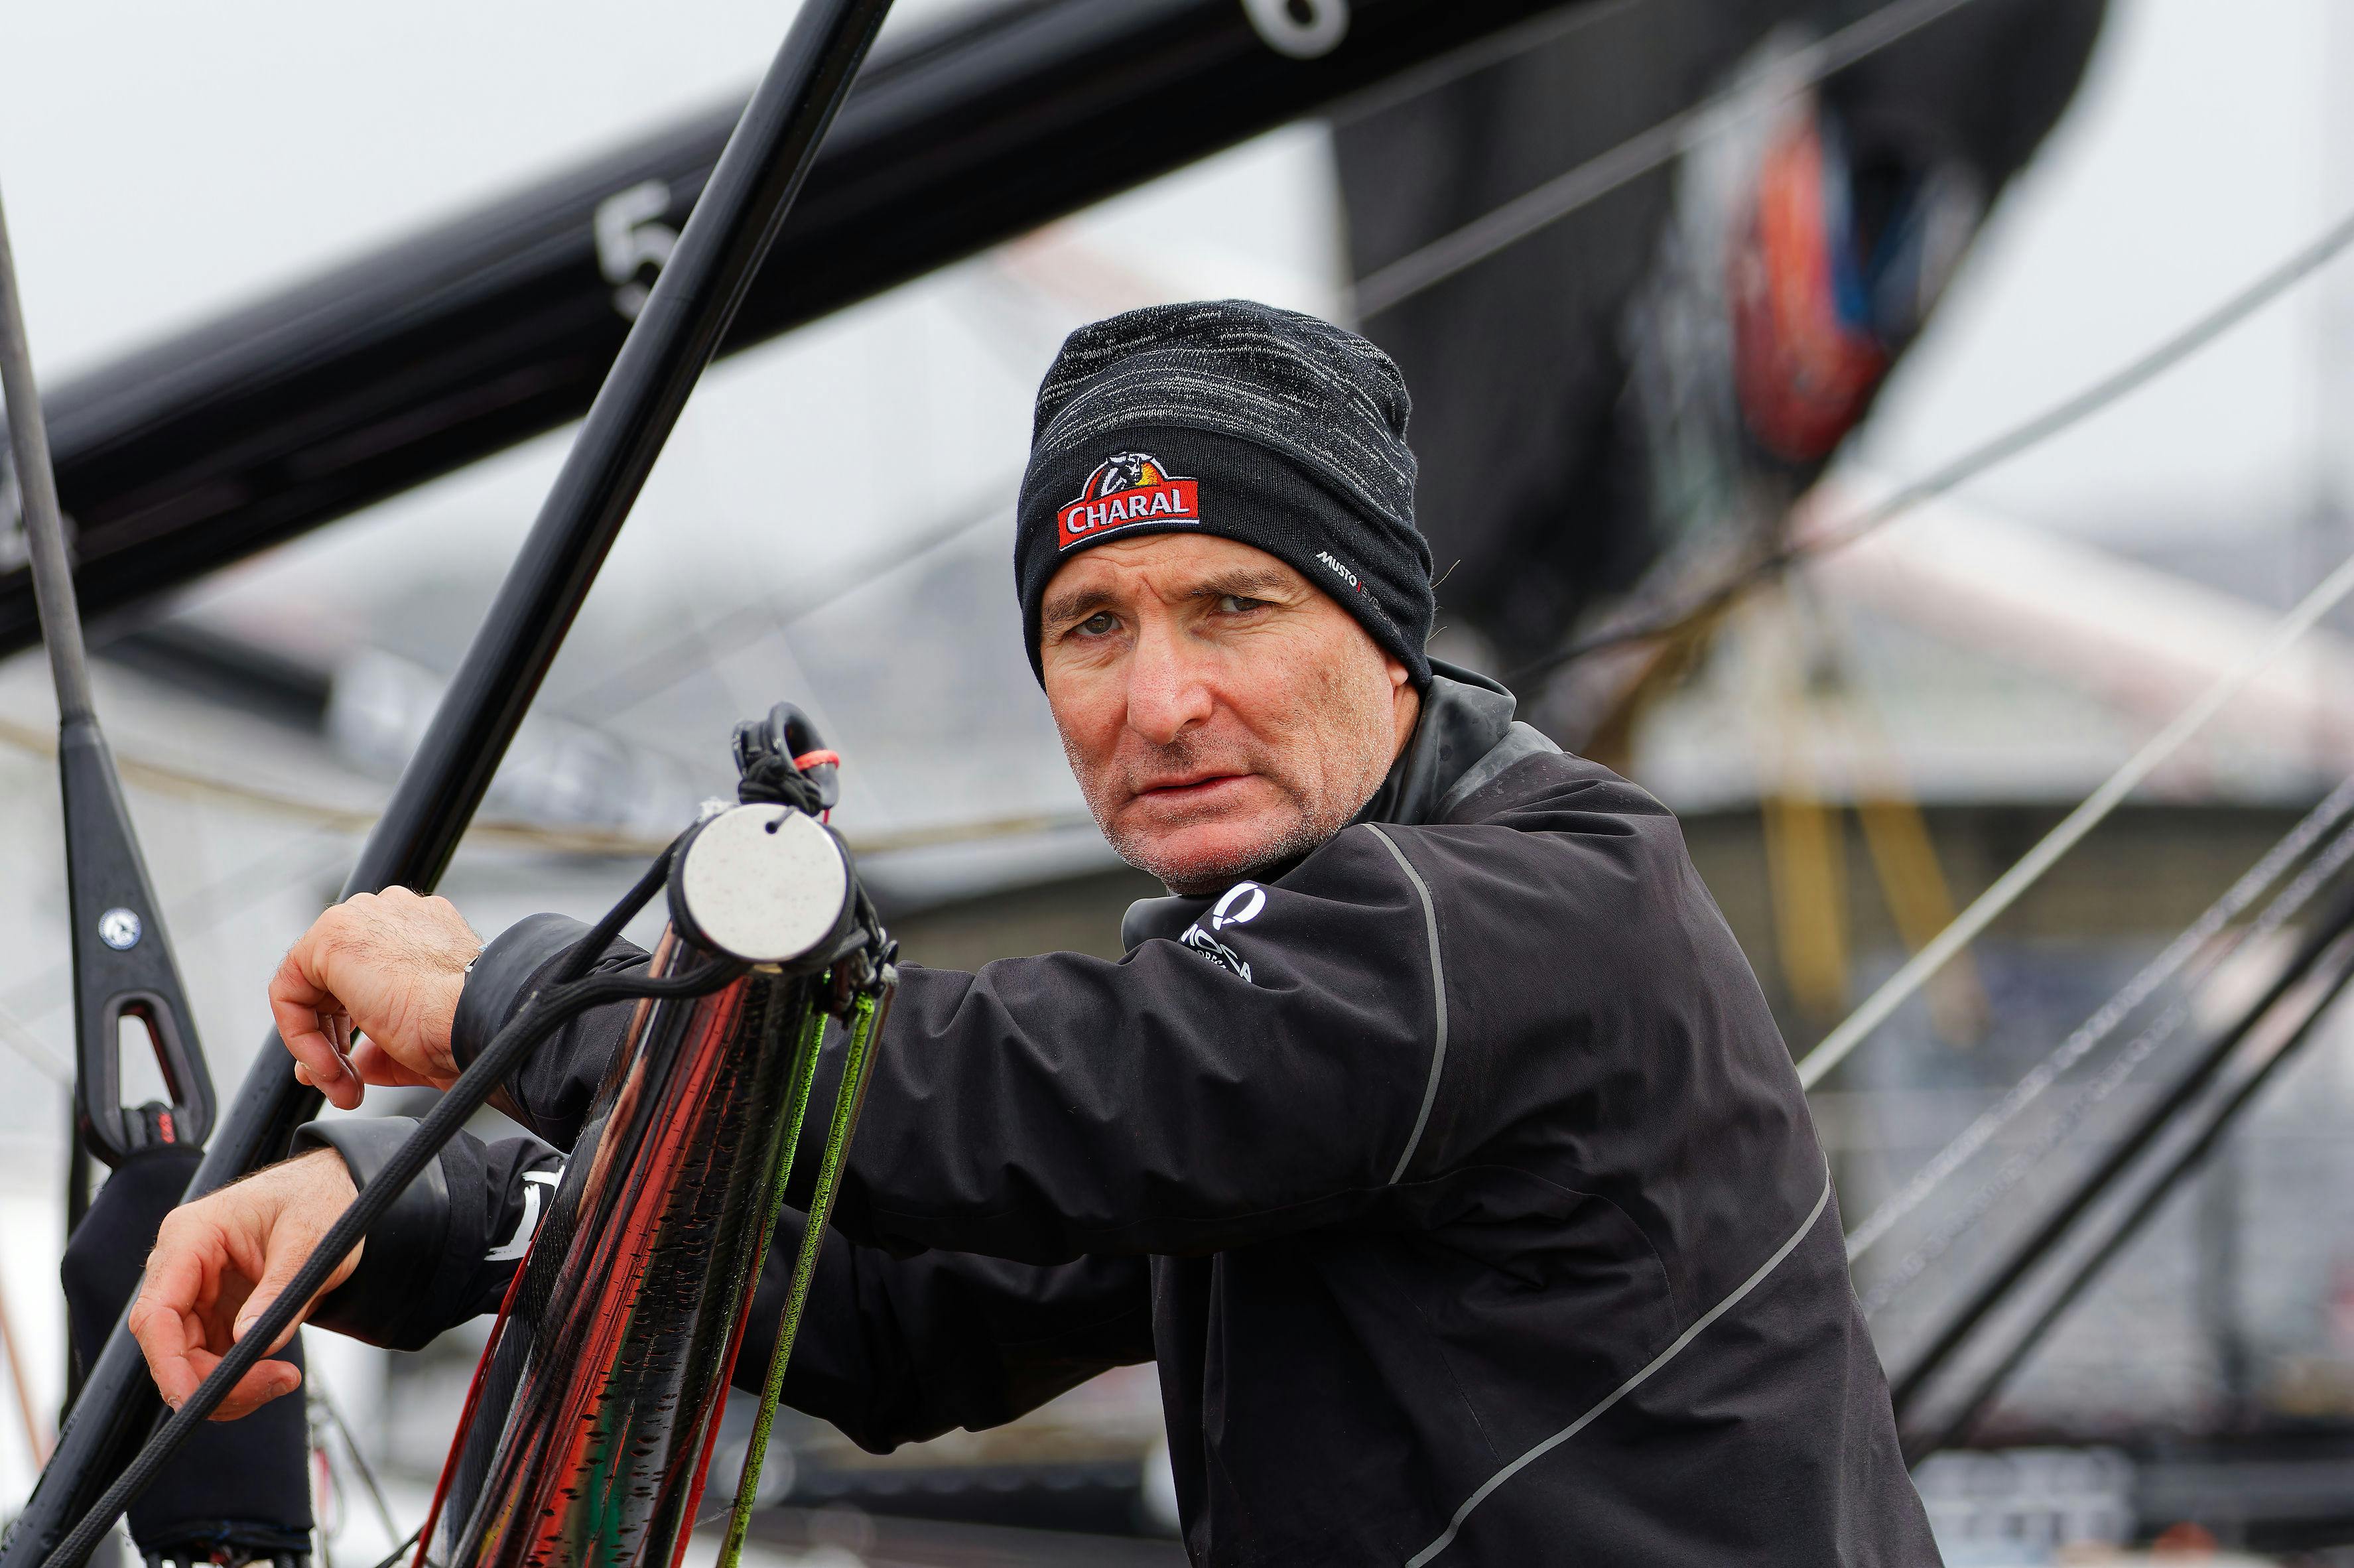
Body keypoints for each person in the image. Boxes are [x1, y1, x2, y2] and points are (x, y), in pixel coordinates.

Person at [131, 300, 1939, 1566]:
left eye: (1234, 605)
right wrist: (436, 1214)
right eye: (1091, 628)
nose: (1162, 701)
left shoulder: (1536, 908)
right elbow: (917, 1310)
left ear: (1386, 640)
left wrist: (520, 1005)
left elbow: (1055, 1099)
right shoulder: (1310, 993)